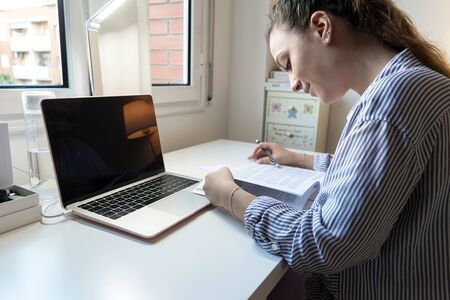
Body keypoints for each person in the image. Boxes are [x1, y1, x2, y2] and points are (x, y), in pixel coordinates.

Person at [203, 0, 450, 299]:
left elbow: (325, 244)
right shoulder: (414, 82)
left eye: (288, 63)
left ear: (322, 28)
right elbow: (378, 174)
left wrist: (230, 195)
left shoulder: (392, 102)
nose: (293, 83)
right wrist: (299, 158)